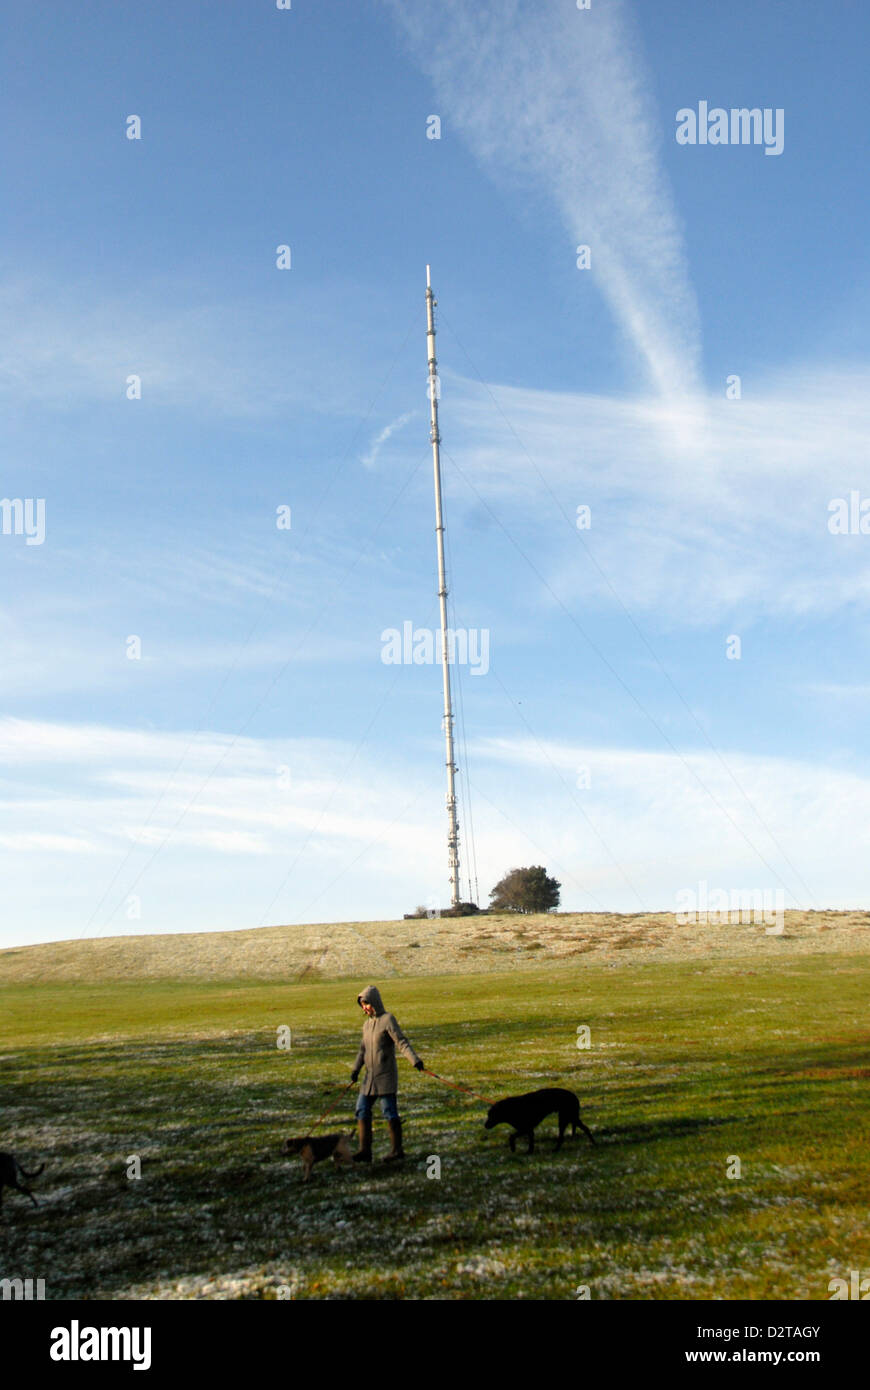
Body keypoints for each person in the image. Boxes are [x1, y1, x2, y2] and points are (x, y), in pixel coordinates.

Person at [350, 985, 424, 1163]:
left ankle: (397, 1151)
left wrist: (415, 1060)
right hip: (369, 1079)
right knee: (361, 1109)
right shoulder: (366, 1025)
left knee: (389, 1112)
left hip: (385, 1076)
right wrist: (355, 1070)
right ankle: (365, 1151)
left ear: (374, 1001)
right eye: (362, 1005)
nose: (365, 1007)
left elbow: (401, 1042)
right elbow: (362, 1050)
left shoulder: (388, 1019)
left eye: (366, 1003)